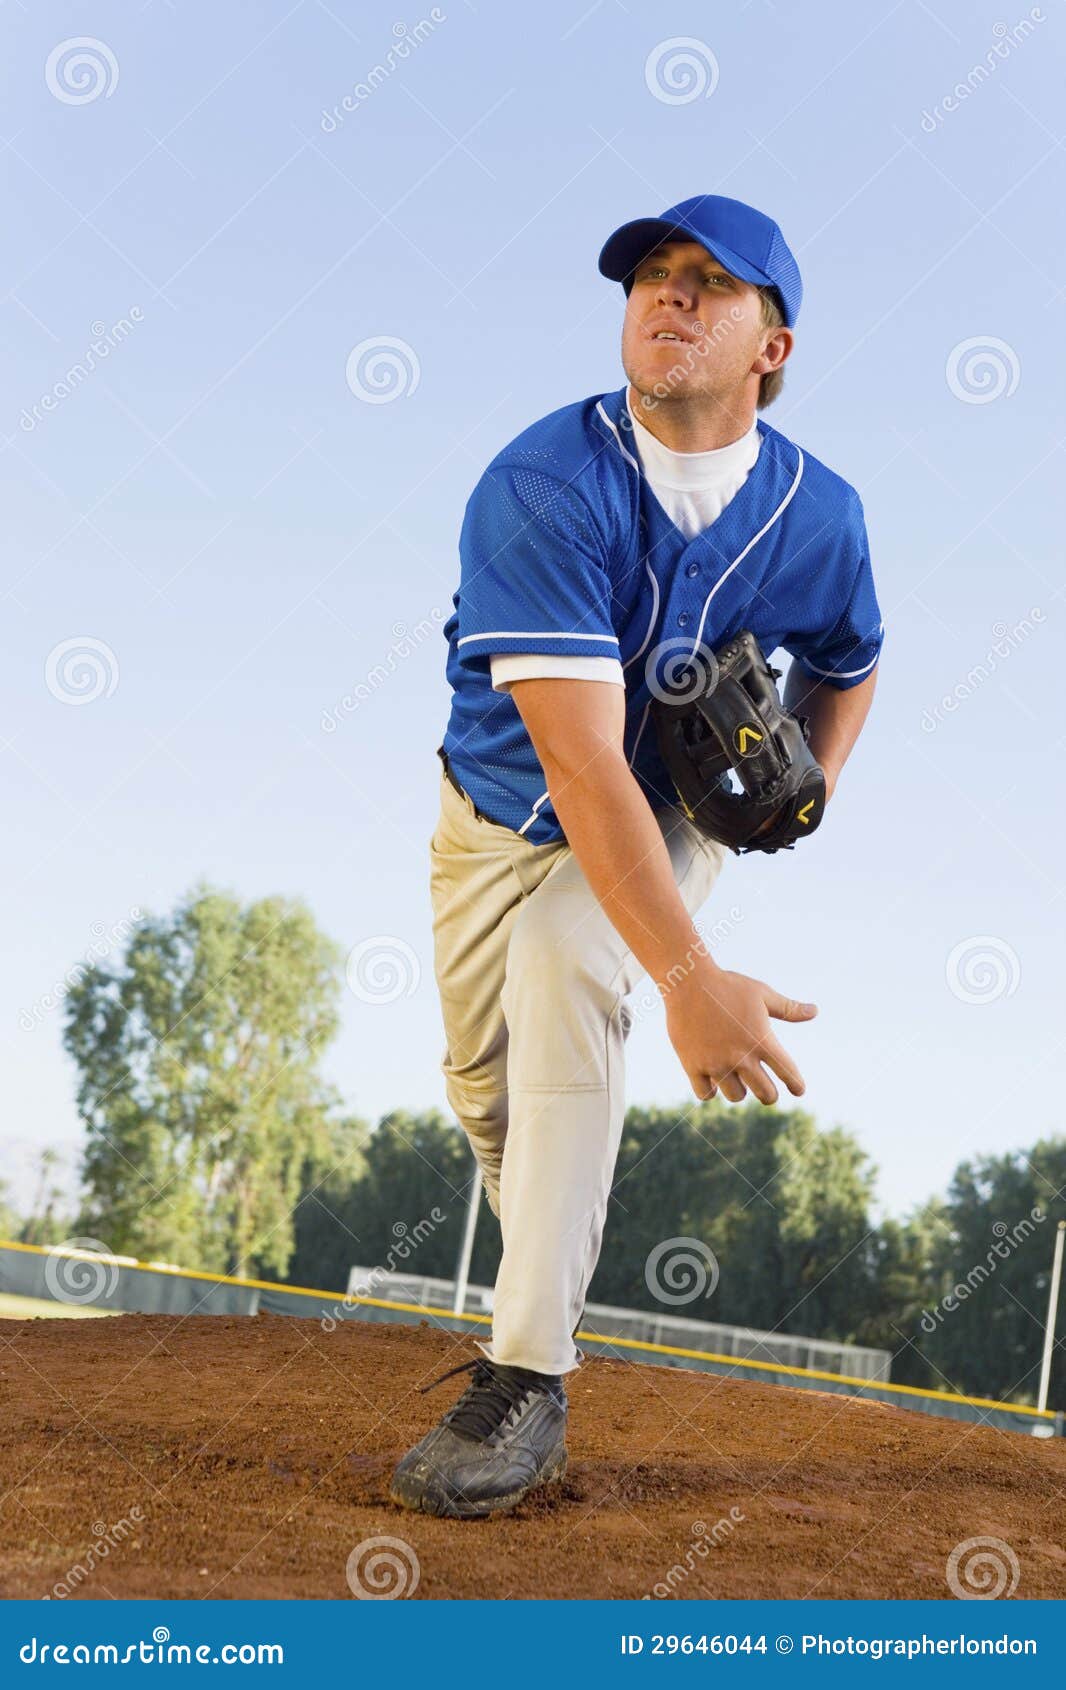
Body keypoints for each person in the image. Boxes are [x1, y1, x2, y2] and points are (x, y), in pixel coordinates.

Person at [390, 194, 884, 1519]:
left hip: (660, 821)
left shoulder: (820, 513)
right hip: (495, 814)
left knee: (568, 955)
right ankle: (543, 1257)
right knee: (490, 1100)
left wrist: (813, 787)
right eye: (652, 277)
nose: (668, 297)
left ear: (767, 347)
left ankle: (524, 1375)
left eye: (709, 286)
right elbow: (577, 761)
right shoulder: (545, 483)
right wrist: (690, 977)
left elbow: (848, 656)